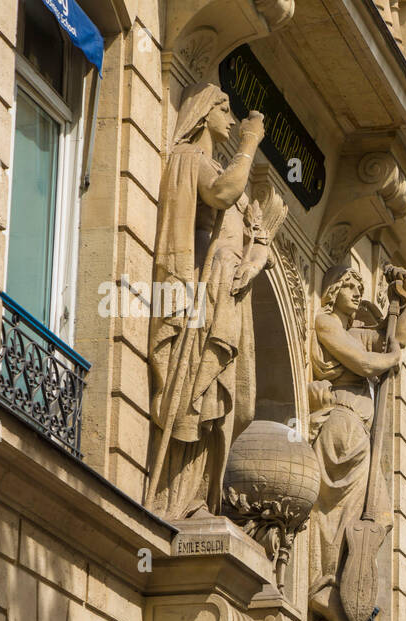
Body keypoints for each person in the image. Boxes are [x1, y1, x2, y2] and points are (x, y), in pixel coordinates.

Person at [146, 82, 287, 519]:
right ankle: (177, 496)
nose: (232, 118)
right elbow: (222, 193)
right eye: (225, 110)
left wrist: (255, 261)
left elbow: (259, 237)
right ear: (204, 114)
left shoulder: (226, 172)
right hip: (204, 290)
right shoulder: (192, 159)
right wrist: (249, 143)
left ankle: (199, 496)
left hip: (229, 289)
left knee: (226, 401)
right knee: (197, 388)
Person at [306, 263, 406, 621]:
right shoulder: (326, 323)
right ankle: (326, 583)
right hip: (340, 431)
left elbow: (395, 337)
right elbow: (367, 363)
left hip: (357, 434)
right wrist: (392, 360)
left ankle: (348, 586)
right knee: (335, 515)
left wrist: (404, 299)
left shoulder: (355, 331)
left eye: (358, 287)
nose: (356, 293)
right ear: (333, 292)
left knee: (376, 515)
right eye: (349, 287)